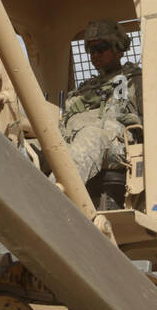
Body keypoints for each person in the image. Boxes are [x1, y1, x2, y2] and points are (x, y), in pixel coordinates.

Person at [60, 19, 143, 189]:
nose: (95, 55)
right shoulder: (84, 90)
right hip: (71, 142)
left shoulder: (134, 81)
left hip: (116, 147)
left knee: (92, 136)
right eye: (91, 50)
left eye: (101, 48)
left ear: (118, 49)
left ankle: (50, 197)